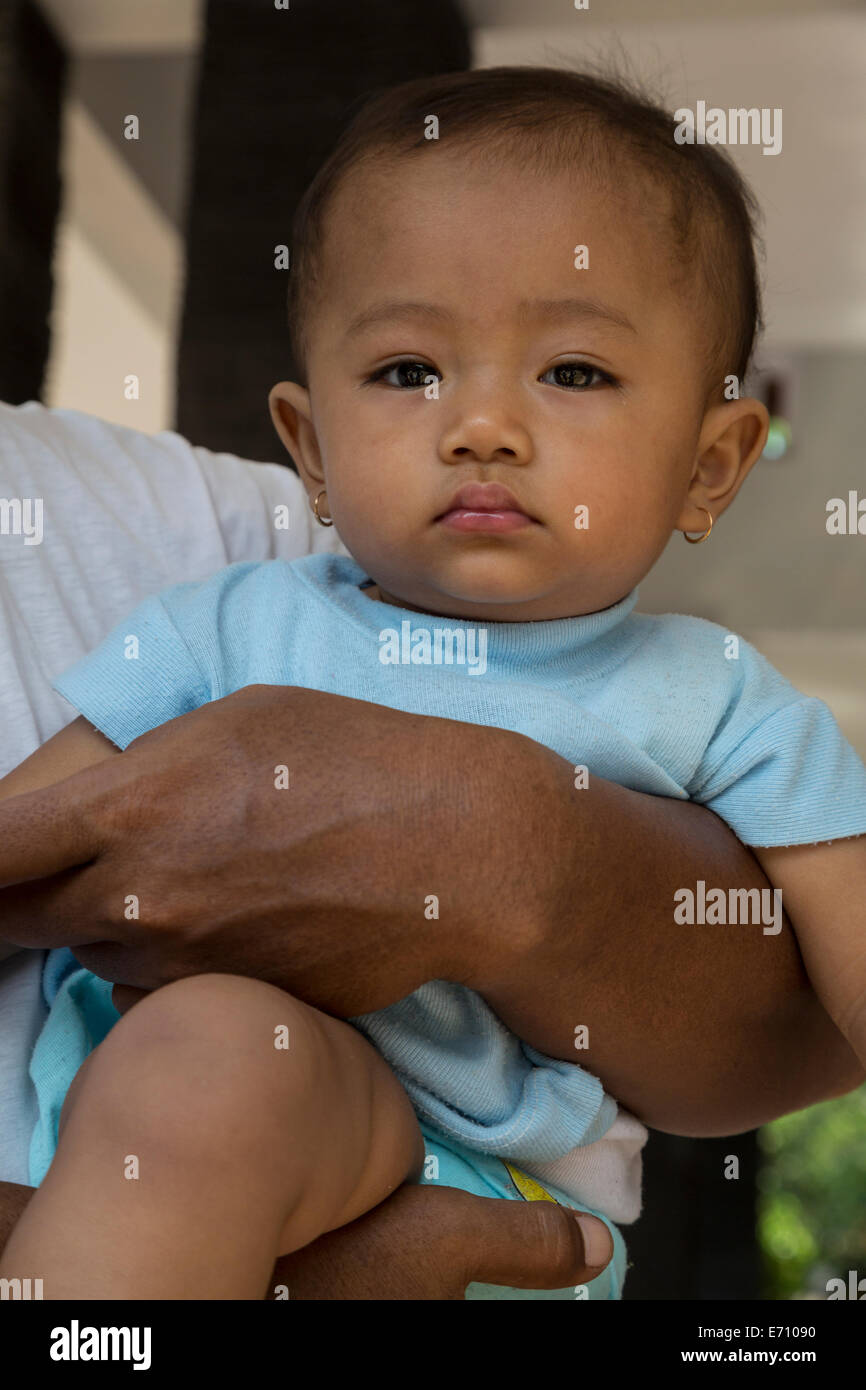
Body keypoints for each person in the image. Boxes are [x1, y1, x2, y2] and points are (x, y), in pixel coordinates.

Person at [1, 67, 864, 1300]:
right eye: (408, 370)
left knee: (210, 1050)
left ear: (708, 465)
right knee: (213, 1051)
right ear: (307, 445)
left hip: (501, 1198)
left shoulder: (718, 699)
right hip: (177, 1150)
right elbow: (35, 830)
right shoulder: (224, 621)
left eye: (572, 372)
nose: (481, 426)